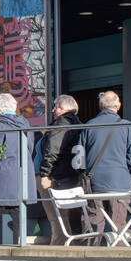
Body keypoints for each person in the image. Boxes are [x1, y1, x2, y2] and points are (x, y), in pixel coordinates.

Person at [78, 91, 131, 240]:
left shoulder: (88, 126)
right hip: (119, 182)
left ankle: (90, 255)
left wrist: (83, 174)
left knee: (93, 223)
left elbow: (78, 158)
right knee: (118, 226)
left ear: (100, 106)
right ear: (118, 106)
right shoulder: (126, 126)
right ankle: (118, 255)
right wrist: (129, 175)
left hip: (94, 182)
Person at [0, 93, 38, 242]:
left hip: (0, 186)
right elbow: (30, 150)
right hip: (22, 183)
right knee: (16, 226)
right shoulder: (26, 126)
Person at [37, 94, 83, 245]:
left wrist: (44, 174)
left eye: (56, 107)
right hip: (69, 175)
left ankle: (59, 244)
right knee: (63, 214)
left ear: (65, 108)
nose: (52, 110)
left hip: (55, 177)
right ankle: (66, 241)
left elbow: (52, 150)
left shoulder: (61, 124)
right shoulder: (78, 124)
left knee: (55, 215)